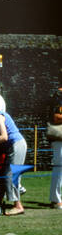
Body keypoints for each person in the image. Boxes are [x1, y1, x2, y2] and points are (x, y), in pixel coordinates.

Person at [49, 80, 62, 210]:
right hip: (59, 137)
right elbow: (56, 117)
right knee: (59, 167)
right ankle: (56, 199)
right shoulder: (58, 96)